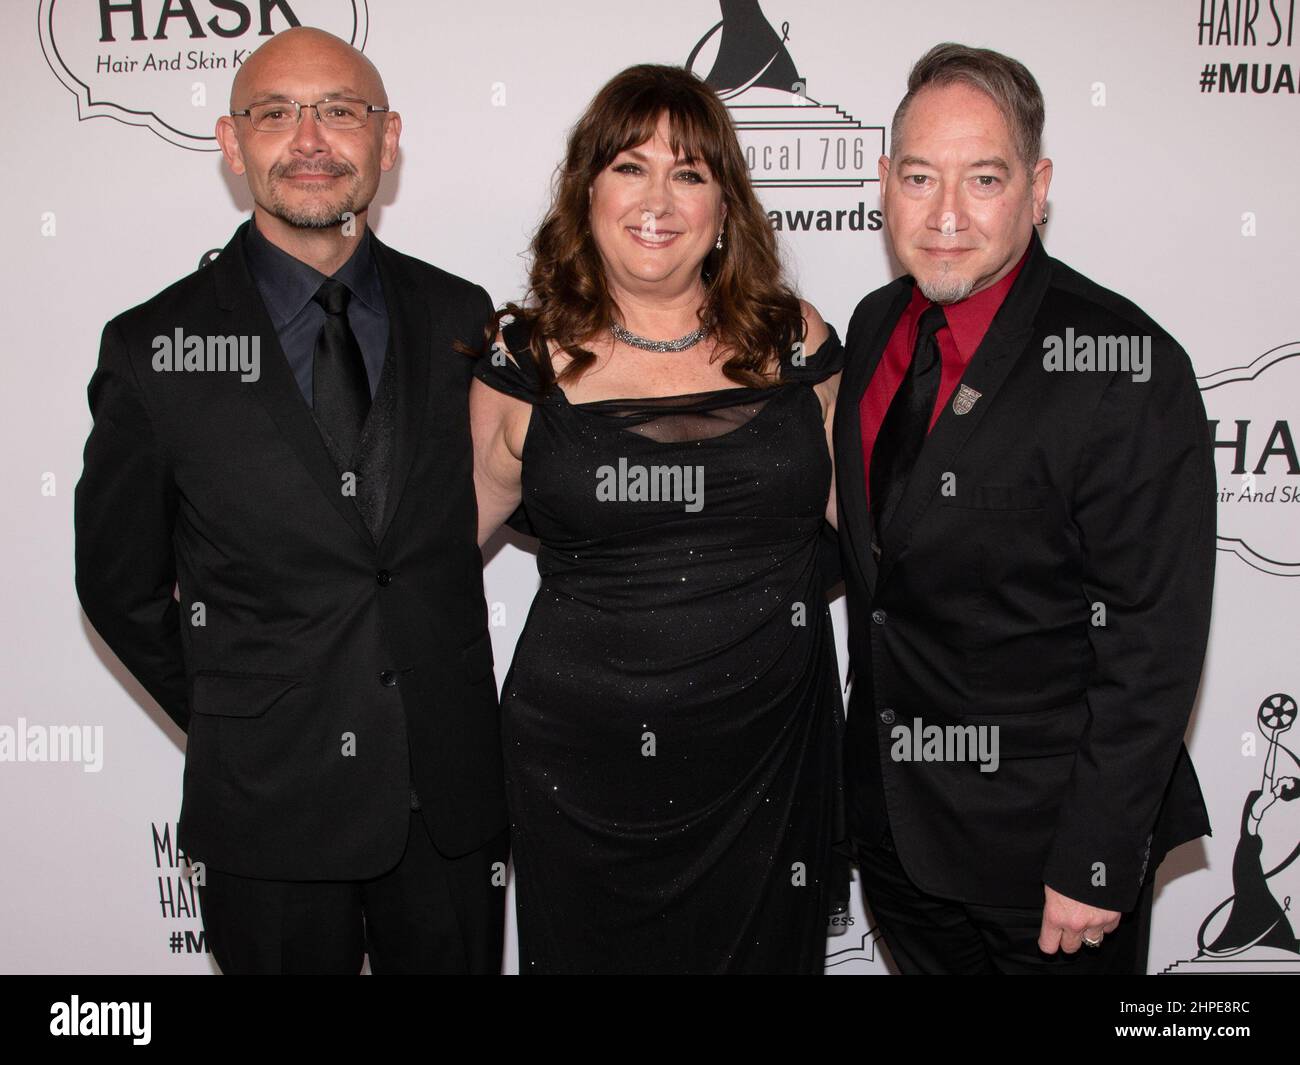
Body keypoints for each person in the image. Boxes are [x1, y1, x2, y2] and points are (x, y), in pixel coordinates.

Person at [73, 27, 507, 974]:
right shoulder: (156, 347)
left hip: (451, 802)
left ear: (387, 141)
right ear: (233, 146)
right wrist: (247, 712)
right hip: (266, 810)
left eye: (341, 111)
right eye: (276, 114)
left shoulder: (462, 317)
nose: (310, 140)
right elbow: (118, 583)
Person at [833, 42, 1215, 974]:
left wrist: (1095, 856)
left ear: (1038, 187)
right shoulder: (876, 324)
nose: (948, 214)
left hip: (1046, 863)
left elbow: (1153, 641)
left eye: (986, 178)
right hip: (895, 830)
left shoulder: (1124, 362)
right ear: (884, 182)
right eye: (920, 176)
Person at [470, 64, 846, 973]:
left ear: (726, 205)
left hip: (768, 759)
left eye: (689, 172)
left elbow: (882, 542)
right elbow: (427, 561)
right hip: (581, 767)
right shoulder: (521, 360)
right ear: (587, 190)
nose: (658, 198)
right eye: (631, 166)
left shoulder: (798, 342)